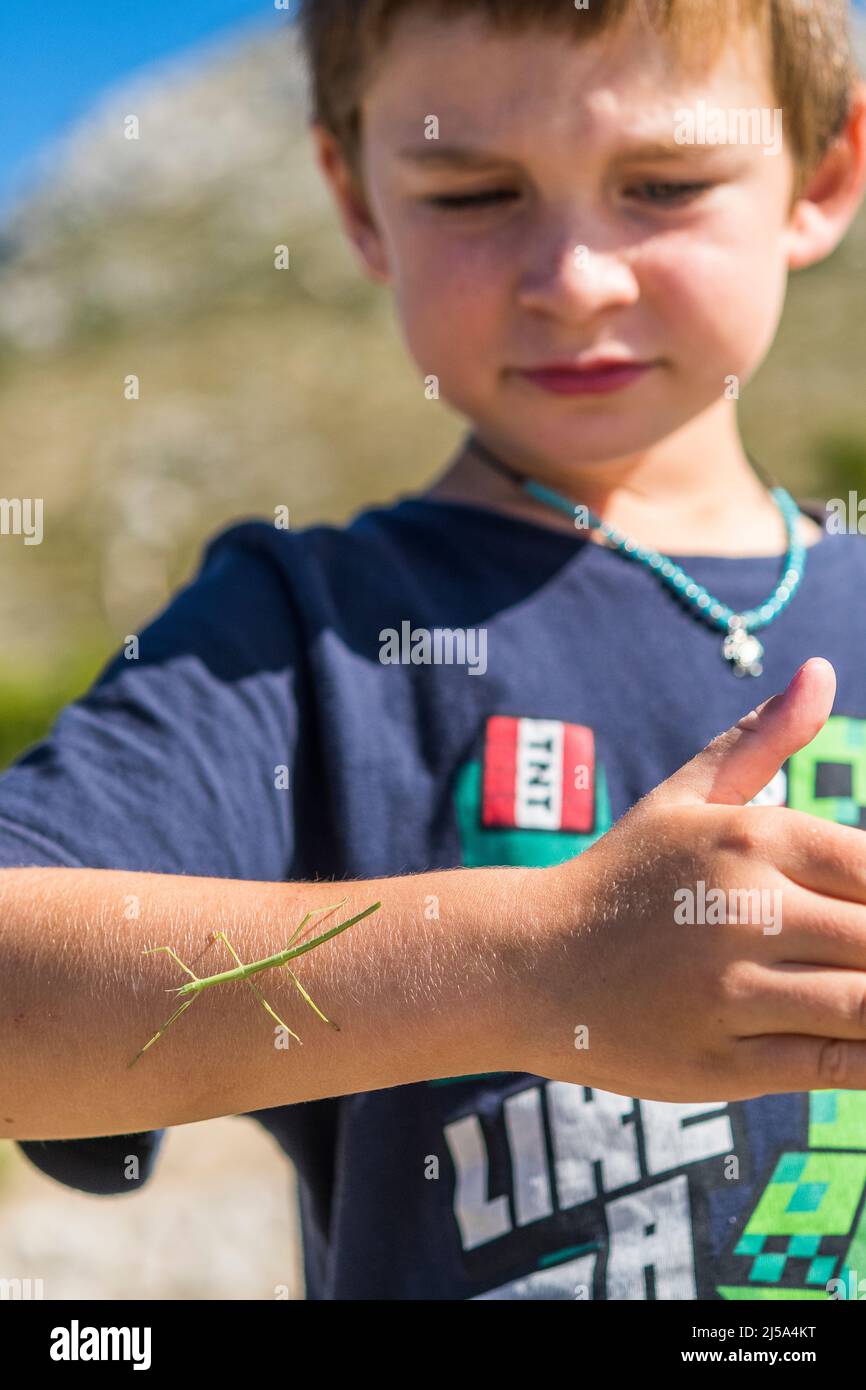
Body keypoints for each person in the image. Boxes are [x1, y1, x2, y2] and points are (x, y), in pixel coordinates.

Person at [3, 0, 866, 1300]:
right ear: (356, 203)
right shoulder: (296, 631)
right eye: (472, 192)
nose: (573, 276)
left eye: (662, 183)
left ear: (822, 174)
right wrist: (533, 962)